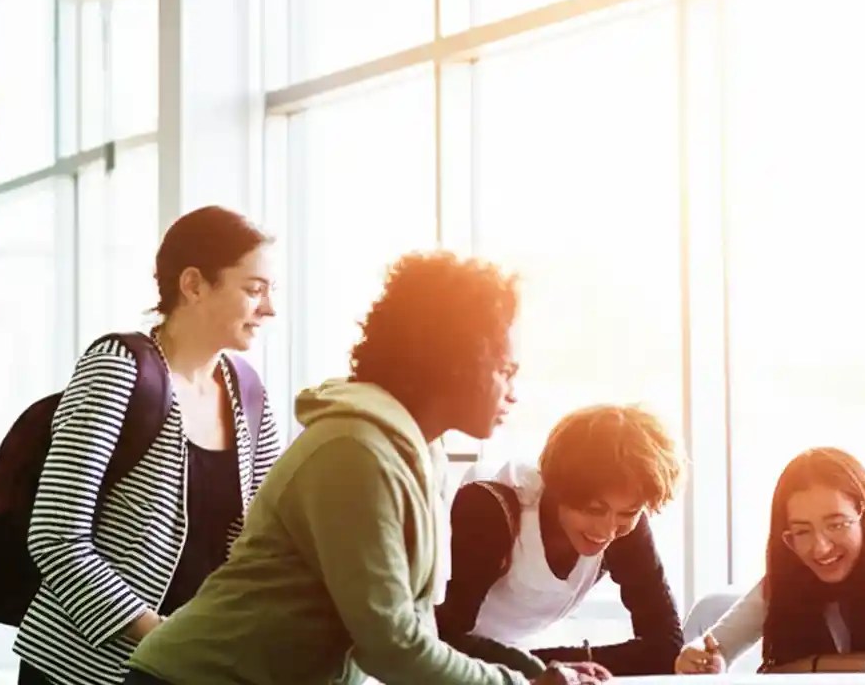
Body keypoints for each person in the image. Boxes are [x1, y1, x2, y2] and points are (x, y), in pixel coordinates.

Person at [125, 251, 607, 685]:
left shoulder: (422, 453)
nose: (514, 392)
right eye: (505, 370)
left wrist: (532, 672)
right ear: (456, 362)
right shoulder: (356, 451)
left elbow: (418, 631)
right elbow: (391, 647)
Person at [13, 205, 283, 685]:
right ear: (194, 284)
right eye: (253, 289)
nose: (269, 308)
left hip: (193, 665)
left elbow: (264, 540)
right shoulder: (119, 367)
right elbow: (56, 535)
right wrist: (160, 636)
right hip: (82, 669)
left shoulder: (248, 391)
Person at [676, 447, 865, 675]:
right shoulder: (794, 565)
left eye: (837, 524)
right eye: (802, 531)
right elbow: (715, 646)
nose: (820, 548)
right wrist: (698, 658)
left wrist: (815, 665)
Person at [437, 404, 685, 676]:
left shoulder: (625, 526)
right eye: (594, 509)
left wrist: (552, 666)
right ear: (558, 489)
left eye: (629, 512)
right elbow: (441, 638)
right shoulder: (489, 511)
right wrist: (545, 667)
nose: (608, 530)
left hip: (509, 661)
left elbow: (666, 646)